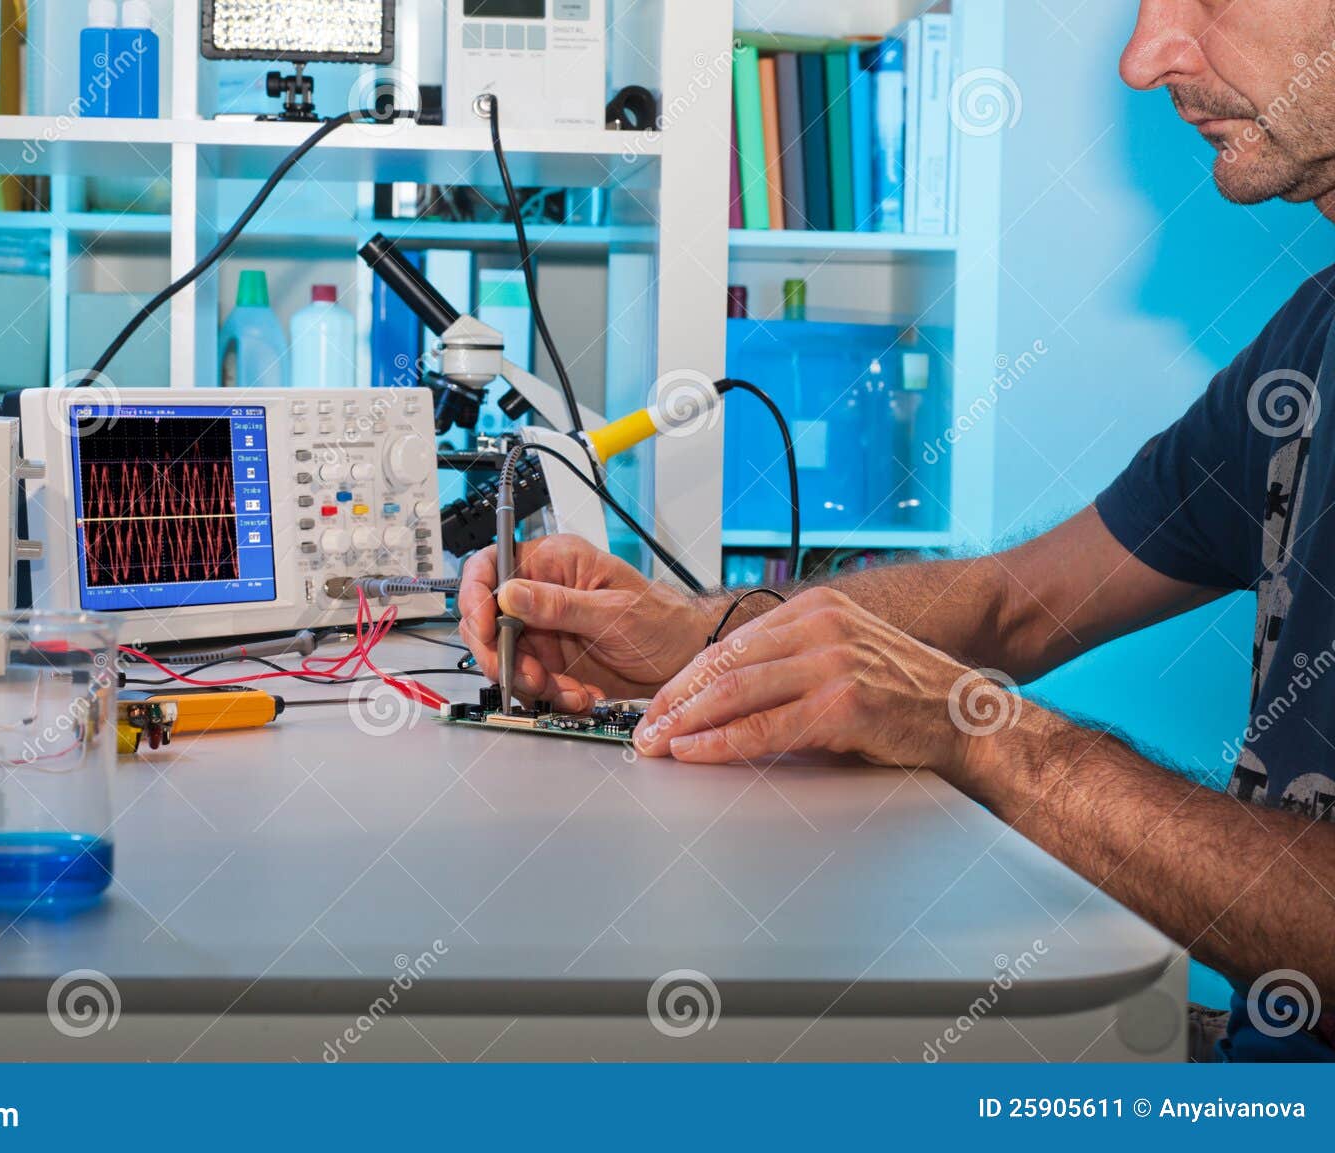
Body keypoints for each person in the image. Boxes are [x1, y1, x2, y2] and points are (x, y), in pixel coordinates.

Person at [460, 0, 1335, 1062]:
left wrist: (982, 733)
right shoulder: (1308, 343)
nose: (1142, 59)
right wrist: (691, 631)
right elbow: (1014, 601)